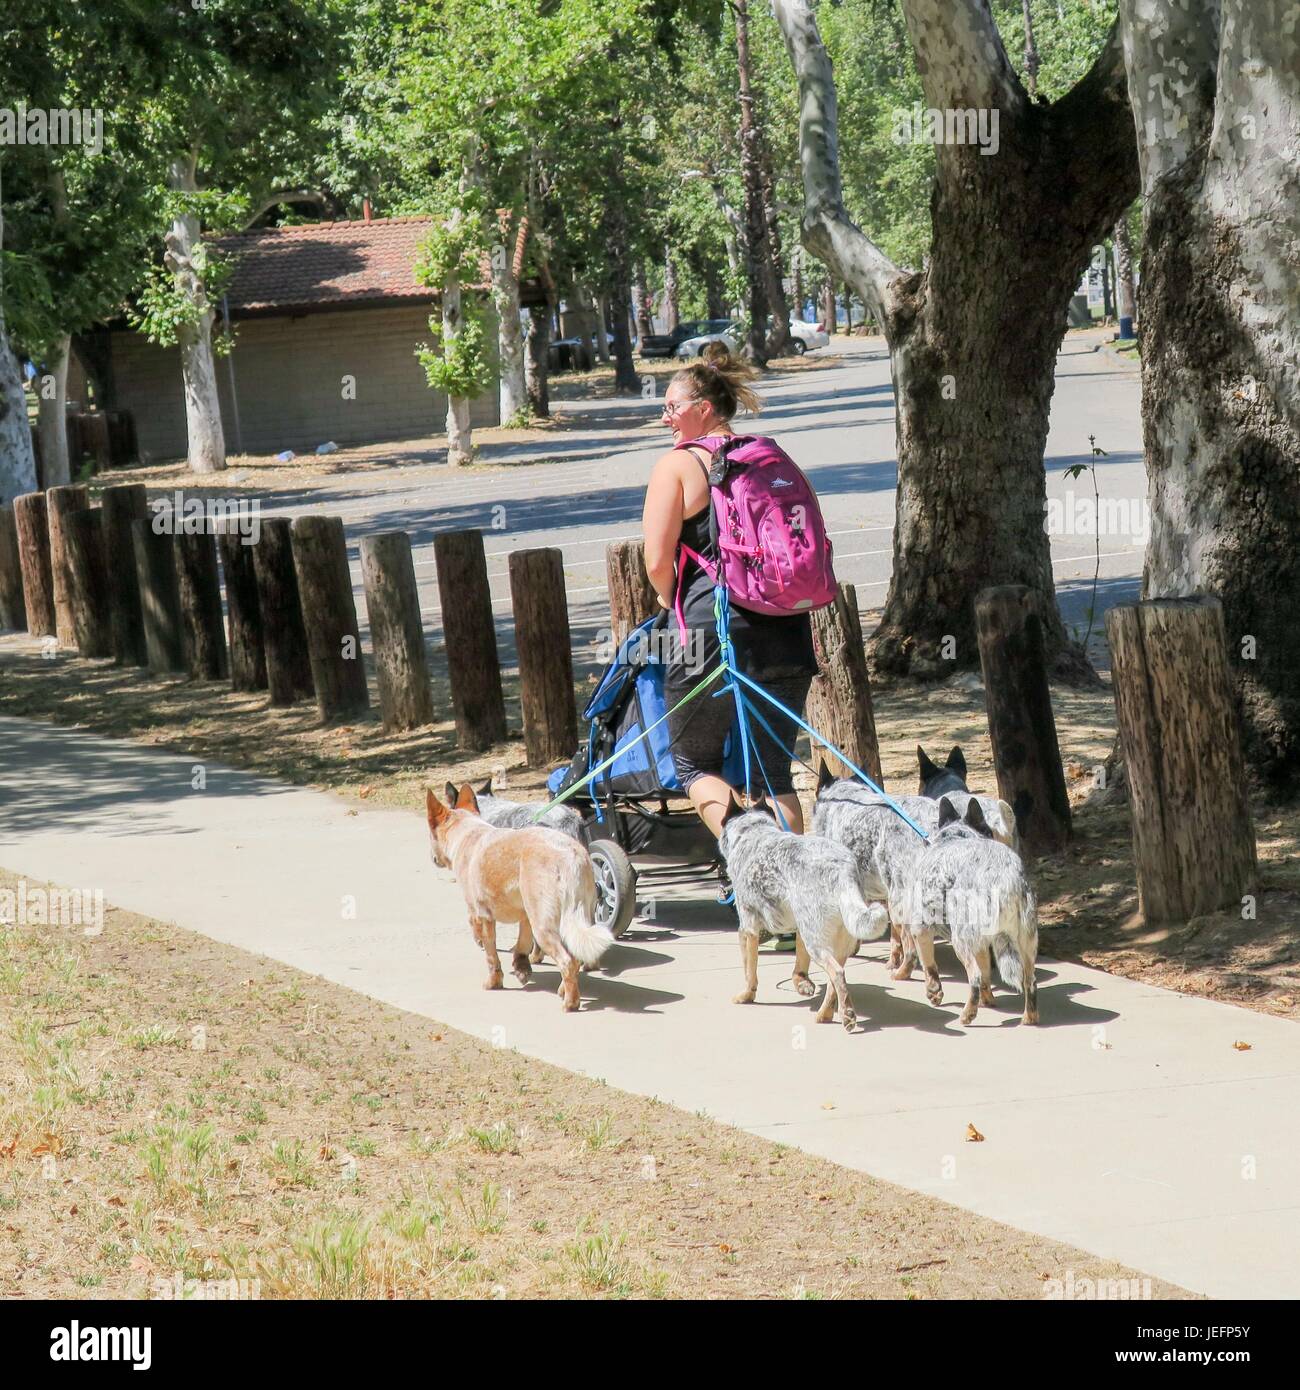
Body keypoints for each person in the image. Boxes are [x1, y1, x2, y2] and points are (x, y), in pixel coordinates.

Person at [641, 341, 820, 843]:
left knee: (694, 763)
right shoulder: (770, 457)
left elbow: (657, 562)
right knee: (773, 773)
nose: (665, 419)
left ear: (703, 409)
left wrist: (665, 599)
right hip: (785, 627)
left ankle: (748, 858)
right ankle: (792, 883)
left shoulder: (675, 467)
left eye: (672, 408)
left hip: (710, 630)